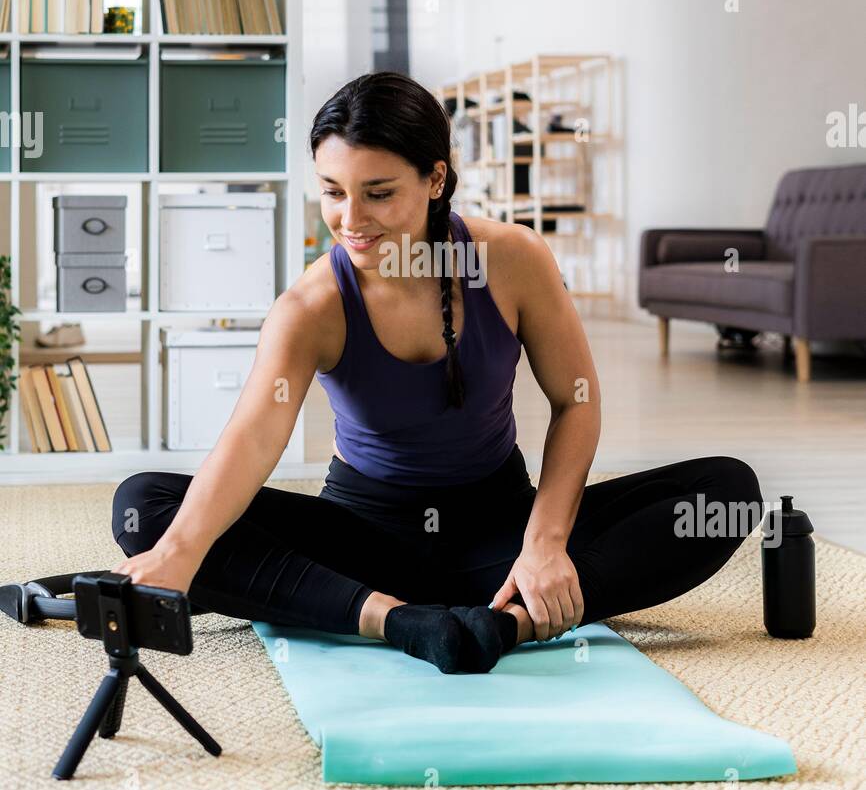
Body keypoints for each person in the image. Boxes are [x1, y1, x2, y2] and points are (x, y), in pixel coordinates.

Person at [111, 71, 763, 674]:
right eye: (333, 193)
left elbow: (576, 401)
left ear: (435, 179)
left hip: (499, 534)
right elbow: (253, 438)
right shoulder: (309, 307)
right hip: (362, 544)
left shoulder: (512, 259)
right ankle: (400, 622)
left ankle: (503, 623)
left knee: (727, 494)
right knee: (145, 508)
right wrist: (180, 550)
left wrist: (545, 542)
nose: (351, 220)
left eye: (379, 193)